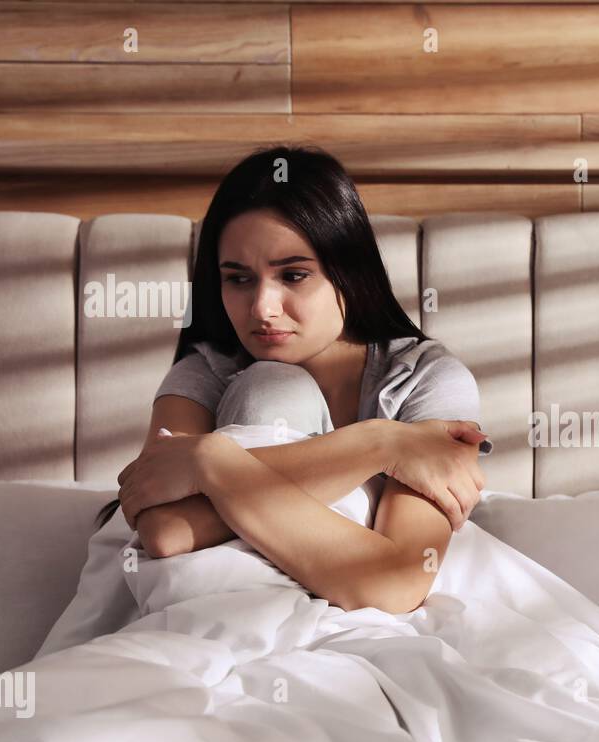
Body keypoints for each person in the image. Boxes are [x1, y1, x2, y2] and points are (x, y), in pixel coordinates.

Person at [95, 145, 493, 614]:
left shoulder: (426, 380)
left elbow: (394, 586)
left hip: (359, 631)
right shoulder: (206, 372)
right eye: (238, 280)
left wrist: (210, 464)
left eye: (294, 274)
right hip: (222, 618)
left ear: (349, 272)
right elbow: (168, 532)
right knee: (271, 385)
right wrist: (381, 445)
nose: (262, 308)